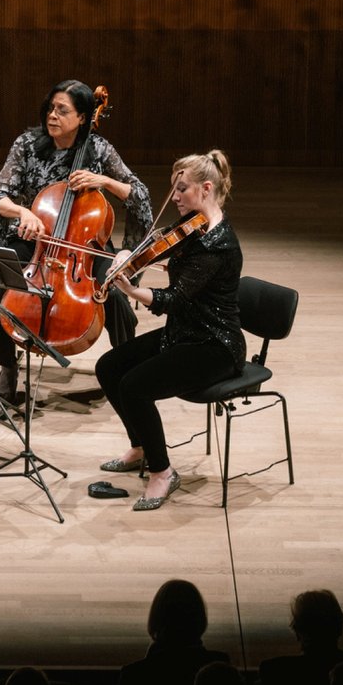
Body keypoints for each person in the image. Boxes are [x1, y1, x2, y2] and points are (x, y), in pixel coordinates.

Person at [0, 79, 152, 410]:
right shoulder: (27, 145)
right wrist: (23, 212)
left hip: (83, 245)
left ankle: (126, 368)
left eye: (63, 110)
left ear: (84, 117)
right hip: (37, 241)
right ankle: (7, 367)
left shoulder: (99, 149)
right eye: (51, 108)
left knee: (116, 292)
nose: (53, 115)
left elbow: (140, 195)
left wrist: (105, 181)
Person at [95, 150, 243, 510]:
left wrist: (131, 290)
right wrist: (127, 255)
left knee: (134, 387)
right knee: (109, 367)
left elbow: (172, 299)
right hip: (184, 333)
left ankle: (162, 473)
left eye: (182, 189)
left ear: (206, 189)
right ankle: (141, 447)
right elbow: (160, 246)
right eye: (174, 189)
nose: (174, 197)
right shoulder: (194, 225)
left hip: (213, 345)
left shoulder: (216, 246)